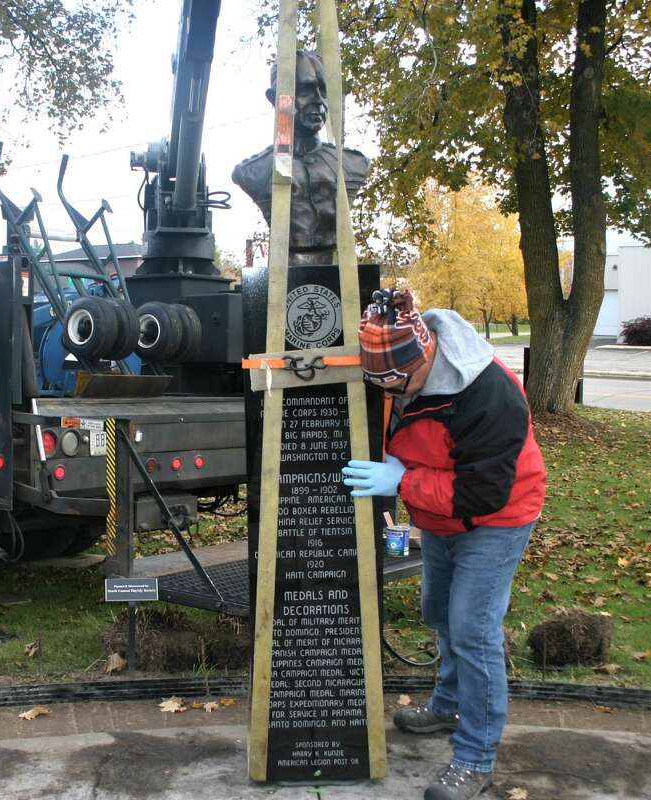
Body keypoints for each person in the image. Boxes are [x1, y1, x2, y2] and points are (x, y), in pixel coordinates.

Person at [342, 289, 546, 800]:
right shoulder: (392, 370)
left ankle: (476, 756)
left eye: (396, 382)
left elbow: (482, 491)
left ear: (425, 353)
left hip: (496, 517)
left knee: (472, 629)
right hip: (437, 516)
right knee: (438, 611)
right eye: (378, 383)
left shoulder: (488, 392)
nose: (390, 392)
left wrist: (402, 481)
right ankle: (449, 702)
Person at [231, 49, 369, 266]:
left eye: (323, 91)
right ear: (275, 99)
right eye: (305, 91)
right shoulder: (254, 172)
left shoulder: (354, 165)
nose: (318, 101)